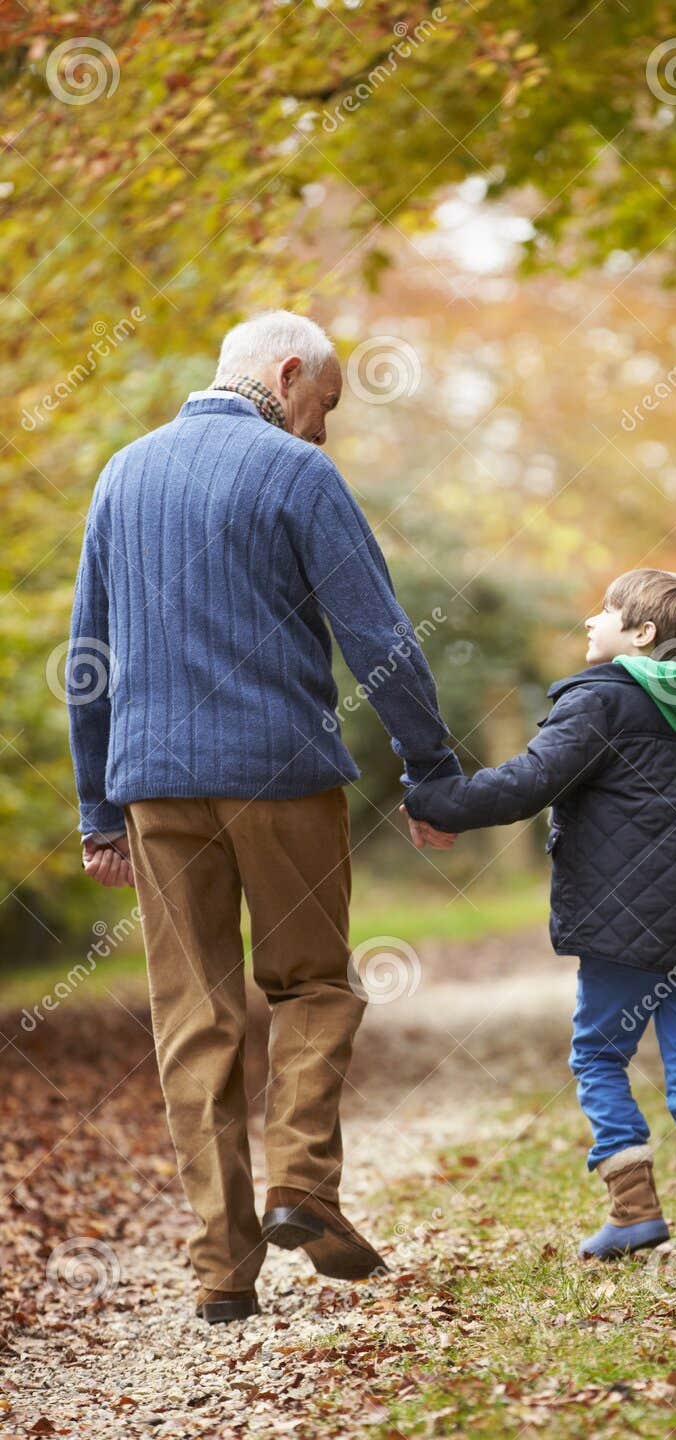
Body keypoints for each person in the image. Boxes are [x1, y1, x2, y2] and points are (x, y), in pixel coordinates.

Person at [68, 310, 456, 1324]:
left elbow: (87, 657)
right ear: (287, 374)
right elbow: (380, 638)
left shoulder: (123, 474)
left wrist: (96, 805)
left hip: (153, 783)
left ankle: (220, 1274)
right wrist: (431, 768)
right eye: (321, 404)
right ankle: (300, 1183)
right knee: (314, 983)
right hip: (279, 775)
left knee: (191, 1017)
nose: (319, 429)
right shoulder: (297, 477)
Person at [404, 567, 676, 1271]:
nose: (592, 620)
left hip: (621, 925)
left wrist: (438, 801)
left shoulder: (599, 702)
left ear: (641, 634)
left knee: (597, 1055)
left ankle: (633, 1213)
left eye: (607, 610)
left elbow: (529, 783)